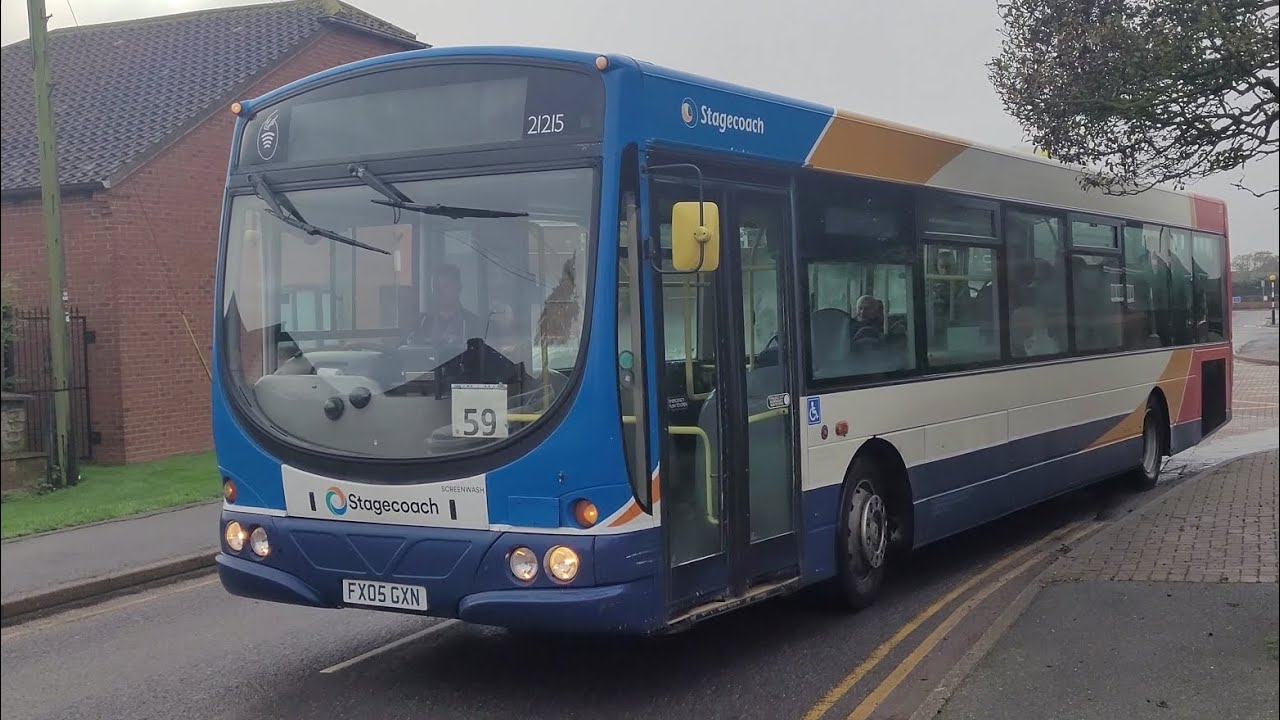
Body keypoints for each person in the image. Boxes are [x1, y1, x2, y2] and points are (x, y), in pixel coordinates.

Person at [406, 264, 478, 348]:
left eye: (446, 286)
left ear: (459, 288)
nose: (439, 291)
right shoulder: (423, 323)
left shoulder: (473, 323)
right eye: (436, 287)